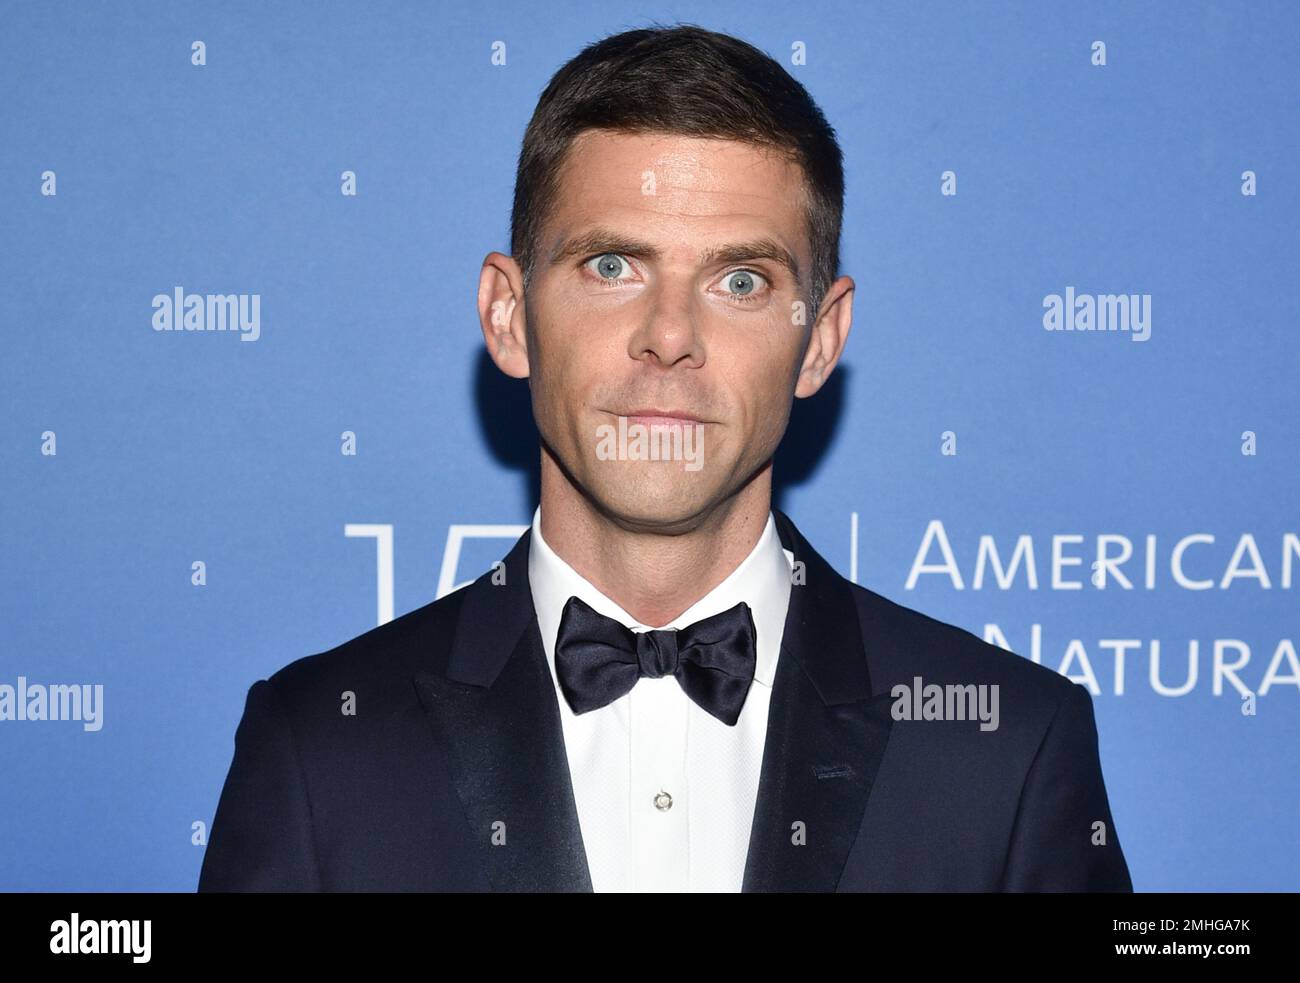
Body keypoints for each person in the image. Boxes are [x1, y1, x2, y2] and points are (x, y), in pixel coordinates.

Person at [198, 23, 1132, 892]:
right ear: (508, 314)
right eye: (613, 266)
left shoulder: (1005, 751)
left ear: (819, 338)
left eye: (740, 280)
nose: (670, 336)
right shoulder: (321, 749)